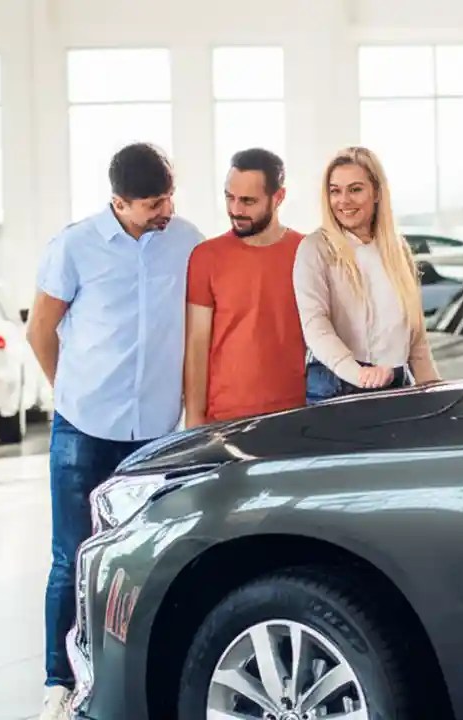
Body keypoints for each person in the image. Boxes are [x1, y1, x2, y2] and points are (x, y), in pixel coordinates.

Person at [24, 142, 202, 720]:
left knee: (148, 559)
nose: (164, 210)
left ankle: (139, 676)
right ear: (119, 202)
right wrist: (68, 393)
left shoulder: (187, 241)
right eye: (152, 203)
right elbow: (40, 330)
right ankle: (59, 680)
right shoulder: (74, 246)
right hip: (84, 426)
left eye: (168, 196)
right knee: (72, 556)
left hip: (154, 432)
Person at [293, 146, 440, 402]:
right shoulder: (314, 248)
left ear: (376, 193)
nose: (344, 201)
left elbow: (416, 338)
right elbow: (316, 326)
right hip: (336, 386)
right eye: (335, 191)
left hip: (396, 384)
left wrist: (435, 391)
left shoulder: (397, 249)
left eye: (355, 189)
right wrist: (358, 373)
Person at [184, 148, 307, 425]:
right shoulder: (206, 257)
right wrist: (193, 418)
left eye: (248, 201)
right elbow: (197, 344)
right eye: (230, 197)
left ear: (279, 197)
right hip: (224, 421)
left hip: (295, 415)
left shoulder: (307, 252)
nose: (236, 210)